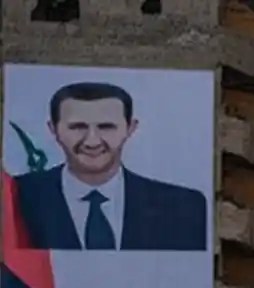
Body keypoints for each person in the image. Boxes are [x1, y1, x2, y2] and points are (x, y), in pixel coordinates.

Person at [14, 81, 208, 252]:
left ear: (130, 128)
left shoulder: (184, 209)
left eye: (106, 127)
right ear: (53, 129)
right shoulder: (13, 197)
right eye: (77, 127)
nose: (92, 141)